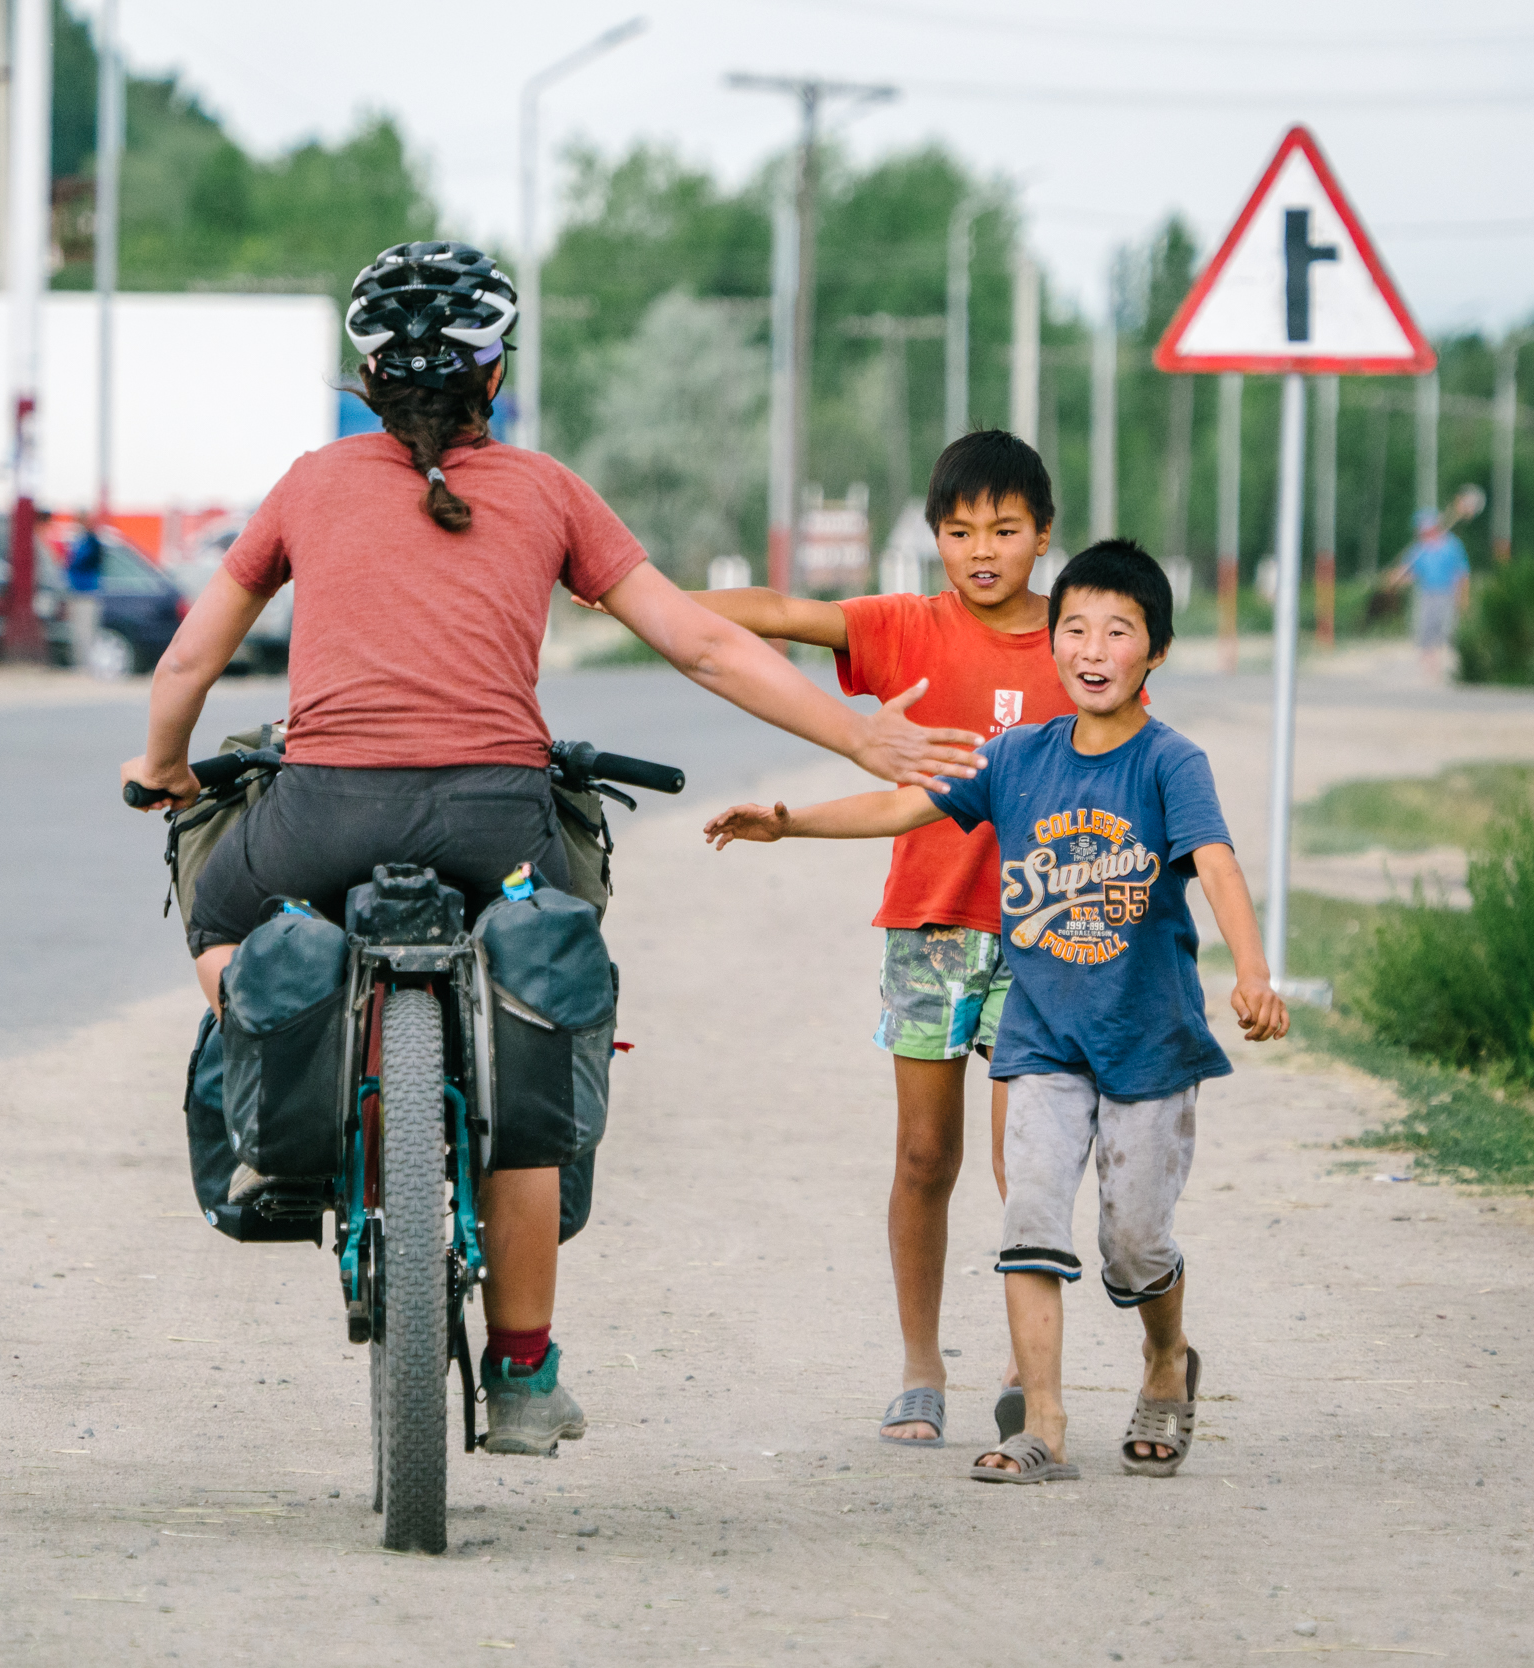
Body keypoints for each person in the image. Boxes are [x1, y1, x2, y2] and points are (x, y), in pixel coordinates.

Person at [118, 241, 983, 1458]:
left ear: (367, 376)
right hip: (499, 820)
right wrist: (856, 735)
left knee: (218, 918)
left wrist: (158, 768)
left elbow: (187, 663)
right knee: (530, 1014)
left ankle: (276, 1057)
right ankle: (524, 1376)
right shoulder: (548, 488)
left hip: (323, 814)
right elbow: (700, 643)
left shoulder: (309, 485)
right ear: (496, 372)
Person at [702, 539, 1290, 1484]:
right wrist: (790, 821)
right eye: (1076, 630)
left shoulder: (1171, 763)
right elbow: (906, 806)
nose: (1093, 648)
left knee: (1133, 1244)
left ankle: (1166, 1359)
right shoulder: (1017, 758)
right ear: (1053, 646)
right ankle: (1044, 1425)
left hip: (1146, 1042)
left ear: (1156, 653)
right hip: (1043, 1039)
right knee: (1031, 1217)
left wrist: (1253, 972)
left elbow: (1214, 862)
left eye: (1119, 631)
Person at [675, 430, 1072, 1449]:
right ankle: (918, 1364)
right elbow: (774, 613)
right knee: (923, 1154)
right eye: (958, 530)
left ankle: (1031, 1364)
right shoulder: (905, 625)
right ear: (934, 537)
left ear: (1043, 534)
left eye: (1006, 530)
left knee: (1021, 1164)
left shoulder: (1080, 640)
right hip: (931, 925)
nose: (982, 550)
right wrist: (637, 600)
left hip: (1047, 935)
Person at [1384, 506, 1470, 678]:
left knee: (1446, 631)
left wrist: (1463, 598)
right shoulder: (1419, 550)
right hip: (1427, 595)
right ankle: (1431, 670)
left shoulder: (1452, 546)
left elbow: (1462, 574)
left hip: (1447, 594)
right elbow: (1411, 573)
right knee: (1425, 631)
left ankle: (1448, 668)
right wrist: (1395, 579)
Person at [65, 517, 106, 676]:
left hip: (88, 592)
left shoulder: (93, 543)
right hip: (75, 590)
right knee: (76, 631)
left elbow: (82, 562)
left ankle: (87, 665)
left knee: (87, 631)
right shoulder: (78, 542)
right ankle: (78, 663)